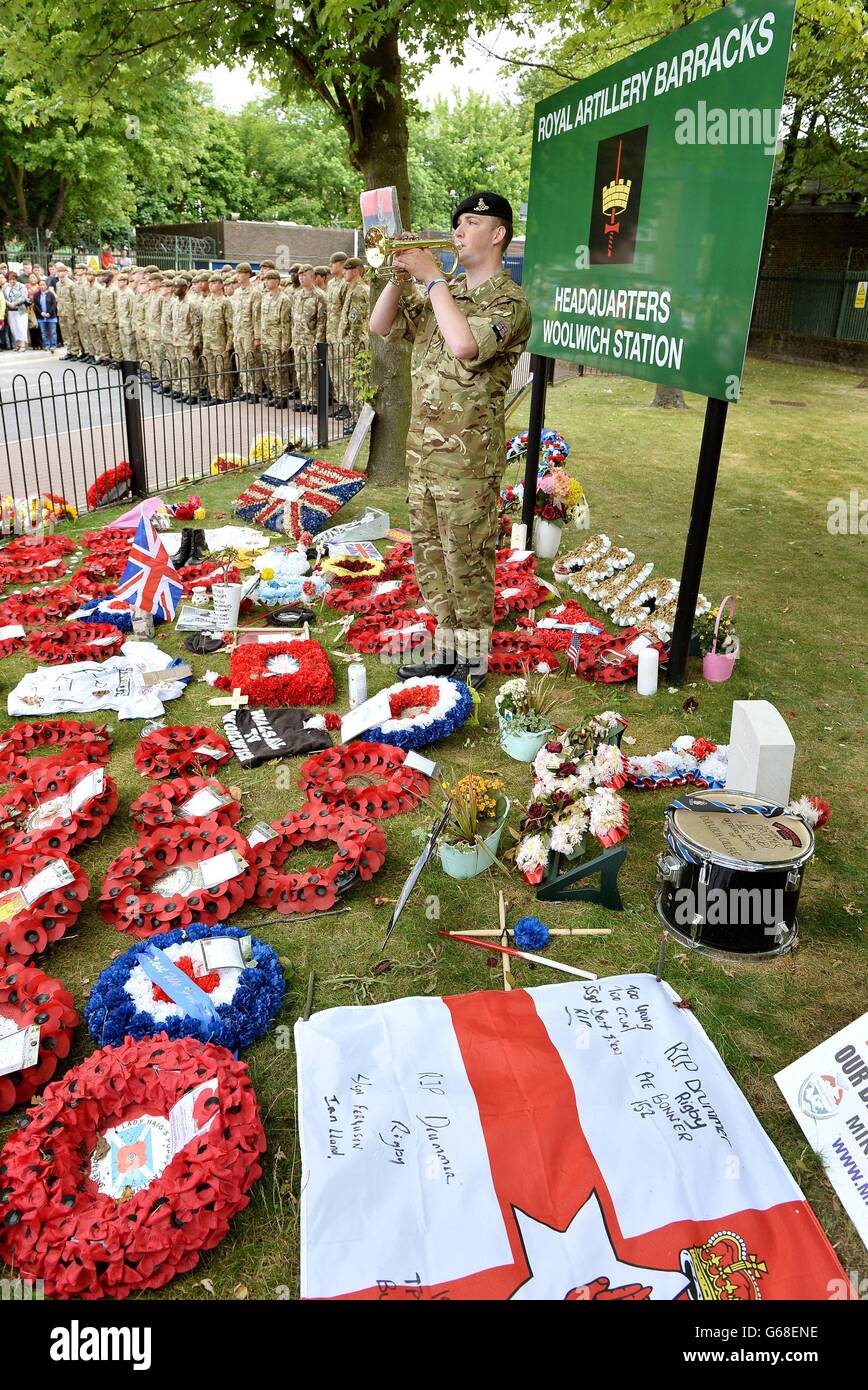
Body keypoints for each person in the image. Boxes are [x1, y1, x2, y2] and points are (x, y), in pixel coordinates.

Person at [369, 191, 531, 689]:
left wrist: (433, 278)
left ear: (498, 233)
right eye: (455, 223)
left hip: (469, 459)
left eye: (470, 223)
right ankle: (445, 646)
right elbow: (380, 327)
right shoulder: (448, 293)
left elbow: (465, 346)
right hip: (424, 452)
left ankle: (474, 654)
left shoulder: (510, 301)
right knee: (430, 552)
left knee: (467, 554)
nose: (457, 231)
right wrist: (399, 279)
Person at [336, 257, 369, 428]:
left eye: (347, 269)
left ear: (355, 270)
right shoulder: (352, 288)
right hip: (350, 342)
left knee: (355, 383)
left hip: (354, 344)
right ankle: (356, 420)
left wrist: (351, 349)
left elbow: (355, 321)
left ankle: (359, 423)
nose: (344, 272)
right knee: (351, 383)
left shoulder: (358, 291)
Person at [291, 264, 326, 414]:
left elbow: (321, 321)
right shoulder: (296, 295)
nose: (301, 278)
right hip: (299, 340)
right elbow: (294, 319)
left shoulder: (319, 296)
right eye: (300, 275)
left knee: (313, 373)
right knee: (301, 372)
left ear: (312, 277)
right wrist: (293, 339)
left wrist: (318, 341)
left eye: (304, 275)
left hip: (311, 340)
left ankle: (315, 401)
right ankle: (305, 400)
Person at [258, 269, 292, 406]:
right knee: (269, 368)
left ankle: (282, 395)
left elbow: (286, 323)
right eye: (265, 279)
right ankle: (275, 393)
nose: (266, 282)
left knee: (279, 369)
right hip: (266, 339)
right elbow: (262, 319)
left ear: (277, 281)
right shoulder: (265, 297)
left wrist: (285, 342)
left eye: (269, 279)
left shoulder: (284, 299)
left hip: (277, 339)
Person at [201, 273, 235, 402]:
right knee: (210, 370)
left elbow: (230, 324)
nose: (211, 285)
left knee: (222, 370)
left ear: (221, 285)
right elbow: (204, 323)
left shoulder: (225, 301)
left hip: (220, 342)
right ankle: (214, 394)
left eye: (214, 283)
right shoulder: (207, 301)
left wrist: (229, 344)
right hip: (208, 342)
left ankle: (224, 395)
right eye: (210, 283)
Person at [325, 251, 348, 416]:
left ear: (341, 264)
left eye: (333, 263)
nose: (330, 266)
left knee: (345, 371)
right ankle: (341, 402)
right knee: (335, 371)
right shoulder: (331, 283)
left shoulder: (346, 284)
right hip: (330, 333)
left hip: (342, 335)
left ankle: (349, 405)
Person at [54, 264, 82, 359]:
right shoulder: (58, 284)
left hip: (70, 312)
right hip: (61, 311)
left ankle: (75, 351)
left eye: (62, 271)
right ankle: (69, 350)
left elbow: (75, 300)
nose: (60, 273)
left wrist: (74, 313)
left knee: (72, 332)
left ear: (66, 272)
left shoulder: (71, 284)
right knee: (65, 333)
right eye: (58, 271)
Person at [4, 271, 31, 351]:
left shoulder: (21, 286)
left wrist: (15, 303)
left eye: (14, 279)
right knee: (14, 327)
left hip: (21, 309)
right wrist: (9, 304)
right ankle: (18, 344)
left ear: (16, 279)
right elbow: (3, 297)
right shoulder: (5, 287)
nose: (12, 281)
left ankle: (23, 345)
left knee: (21, 326)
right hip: (11, 310)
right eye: (10, 279)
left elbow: (24, 297)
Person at [35, 279, 59, 352]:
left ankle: (53, 345)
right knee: (43, 332)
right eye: (40, 285)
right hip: (41, 316)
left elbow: (54, 304)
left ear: (46, 285)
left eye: (43, 284)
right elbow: (36, 306)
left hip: (51, 316)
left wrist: (49, 313)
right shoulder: (36, 295)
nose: (42, 286)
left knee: (53, 332)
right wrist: (41, 312)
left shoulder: (50, 294)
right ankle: (46, 345)